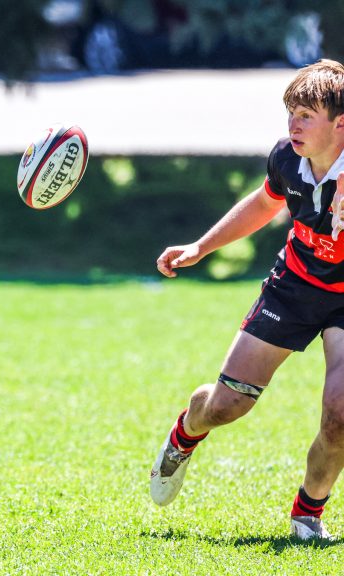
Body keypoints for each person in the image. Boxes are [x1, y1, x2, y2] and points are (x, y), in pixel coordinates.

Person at [150, 59, 344, 541]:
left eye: (306, 115)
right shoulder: (286, 158)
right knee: (227, 406)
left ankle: (307, 513)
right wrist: (201, 246)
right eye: (291, 113)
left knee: (341, 413)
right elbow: (264, 204)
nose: (293, 124)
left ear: (341, 124)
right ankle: (184, 434)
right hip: (295, 286)